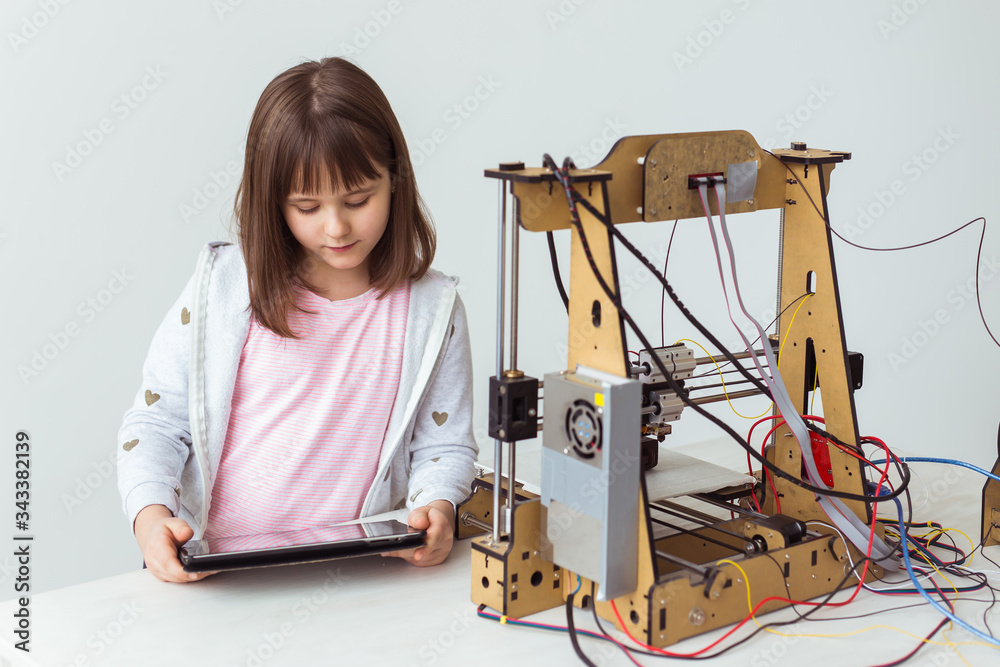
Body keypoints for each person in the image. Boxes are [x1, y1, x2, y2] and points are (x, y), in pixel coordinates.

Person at [116, 57, 478, 583]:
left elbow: (444, 446)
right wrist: (151, 520)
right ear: (274, 204)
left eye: (358, 199)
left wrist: (438, 509)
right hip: (220, 583)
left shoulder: (432, 310)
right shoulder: (223, 287)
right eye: (307, 207)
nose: (336, 226)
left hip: (362, 582)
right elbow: (155, 421)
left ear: (395, 179)